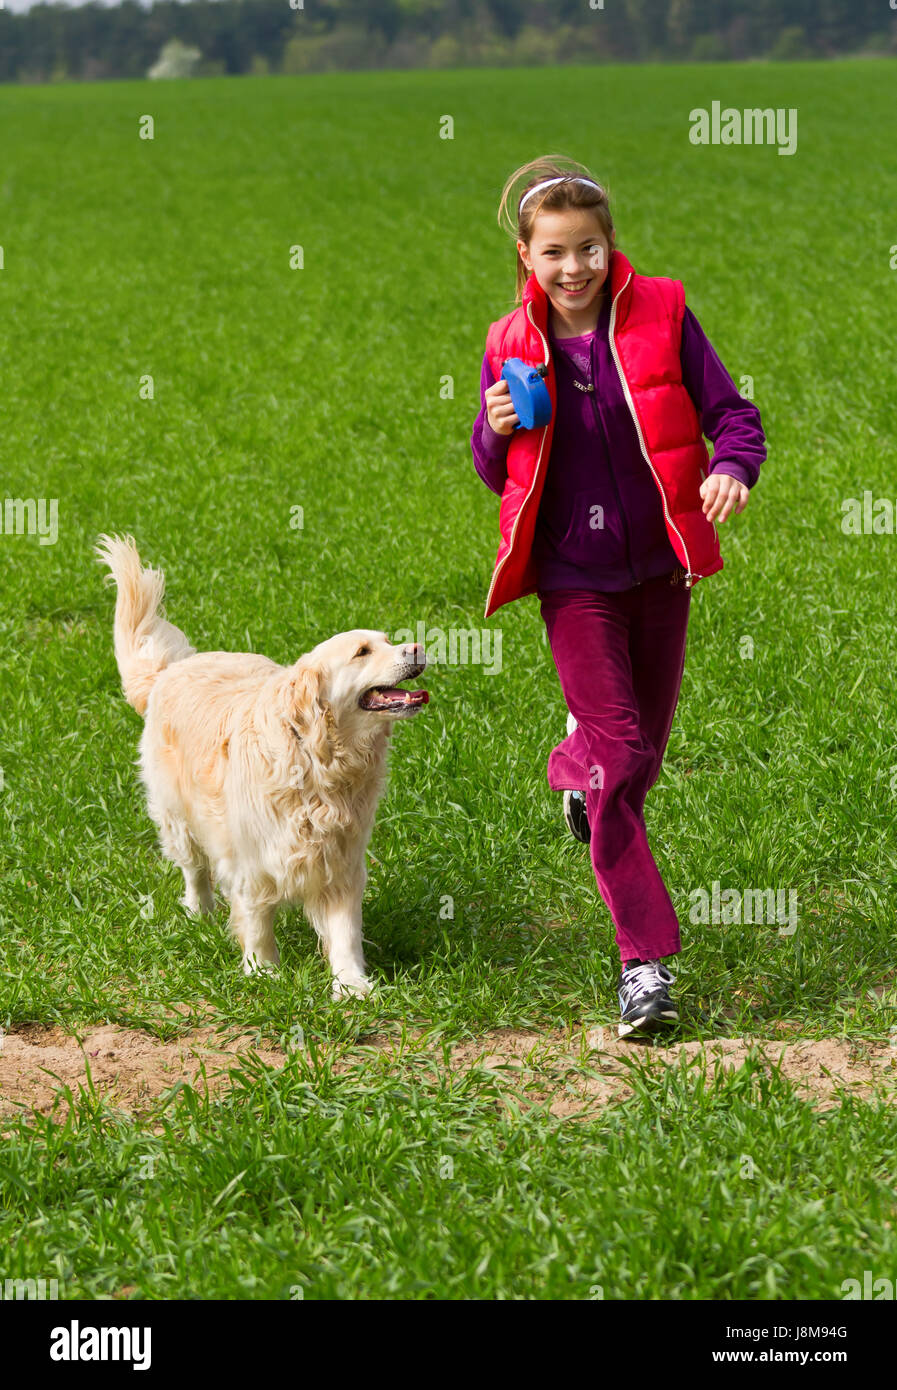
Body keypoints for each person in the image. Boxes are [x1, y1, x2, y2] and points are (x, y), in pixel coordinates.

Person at [470, 156, 766, 1038]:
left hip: (659, 573)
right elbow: (498, 472)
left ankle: (576, 768)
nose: (573, 269)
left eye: (588, 248)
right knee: (620, 769)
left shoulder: (663, 315)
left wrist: (730, 469)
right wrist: (493, 433)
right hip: (573, 582)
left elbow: (732, 413)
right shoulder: (508, 345)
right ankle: (645, 965)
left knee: (637, 761)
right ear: (525, 255)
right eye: (553, 252)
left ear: (611, 246)